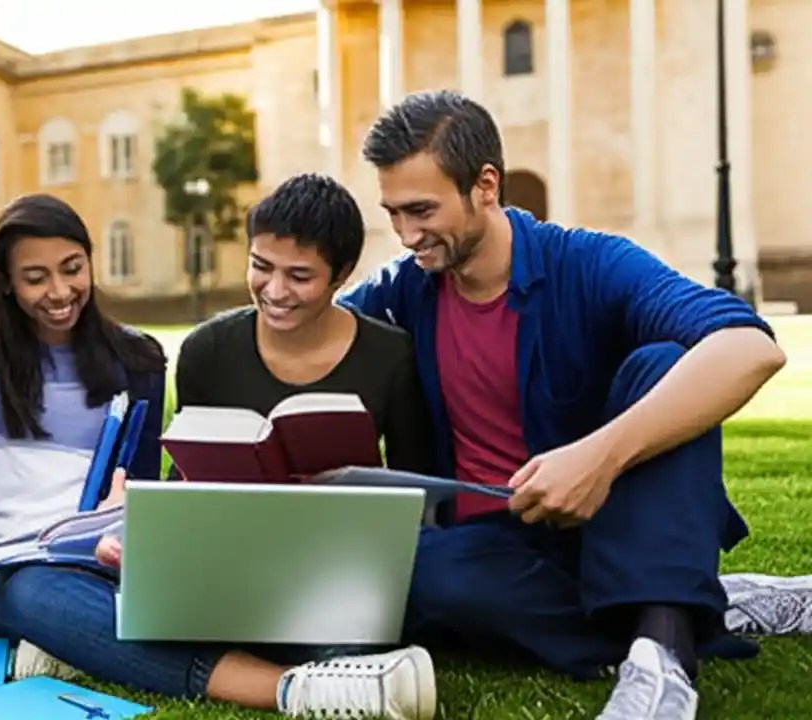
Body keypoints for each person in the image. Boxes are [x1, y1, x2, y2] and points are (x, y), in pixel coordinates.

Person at [336, 89, 811, 719]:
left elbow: (749, 348)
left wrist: (597, 459)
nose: (405, 234)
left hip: (617, 524)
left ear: (485, 185)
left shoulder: (588, 262)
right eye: (393, 212)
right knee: (419, 579)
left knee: (664, 364)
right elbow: (320, 333)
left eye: (421, 210)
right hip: (493, 550)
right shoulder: (404, 290)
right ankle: (683, 602)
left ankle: (665, 658)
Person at [0, 175, 440, 720]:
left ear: (341, 275)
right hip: (220, 578)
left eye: (299, 276)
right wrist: (135, 536)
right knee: (18, 595)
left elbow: (419, 497)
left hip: (328, 580)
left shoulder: (390, 356)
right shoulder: (207, 351)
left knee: (360, 635)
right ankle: (299, 689)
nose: (274, 290)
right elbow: (185, 486)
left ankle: (92, 649)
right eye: (260, 266)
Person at [0, 193, 167, 677]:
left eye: (72, 268)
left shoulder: (139, 357)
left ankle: (71, 645)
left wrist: (124, 534)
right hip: (23, 565)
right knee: (27, 596)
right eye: (36, 279)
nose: (60, 292)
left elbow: (142, 491)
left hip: (105, 560)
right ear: (6, 284)